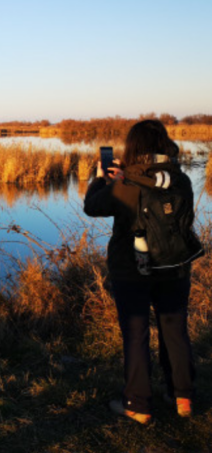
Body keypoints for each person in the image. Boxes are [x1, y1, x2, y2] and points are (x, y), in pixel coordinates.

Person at [84, 119, 196, 424]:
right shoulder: (180, 179)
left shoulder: (127, 184)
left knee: (136, 334)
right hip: (175, 266)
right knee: (174, 329)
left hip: (132, 269)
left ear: (134, 146)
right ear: (164, 144)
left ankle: (138, 404)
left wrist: (101, 179)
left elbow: (92, 207)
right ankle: (182, 396)